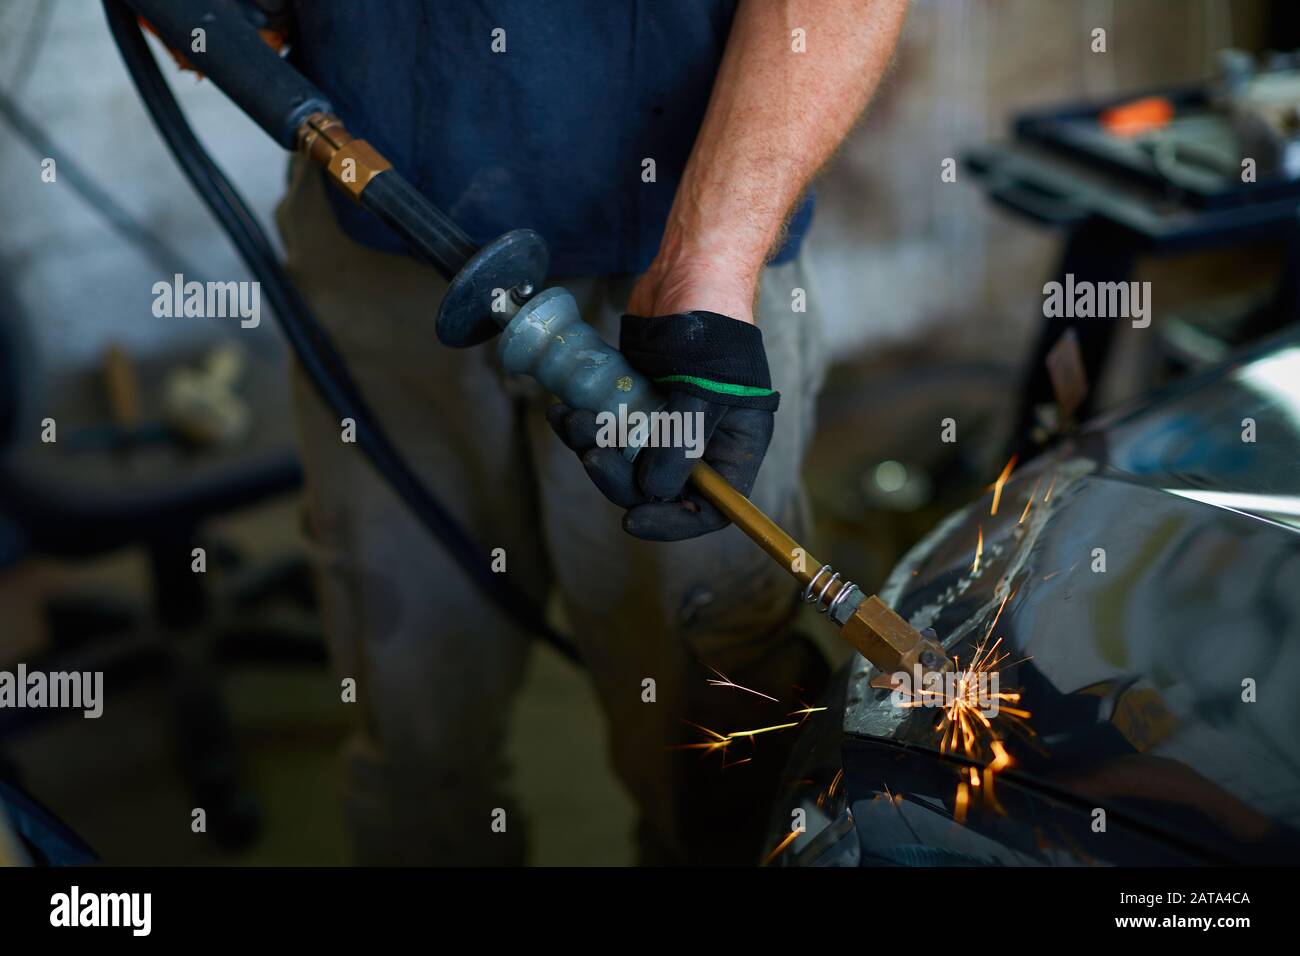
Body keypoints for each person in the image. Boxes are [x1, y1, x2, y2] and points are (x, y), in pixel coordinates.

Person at [276, 0, 908, 864]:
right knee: (412, 722)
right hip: (375, 230)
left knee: (719, 749)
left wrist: (707, 266)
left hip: (681, 261)